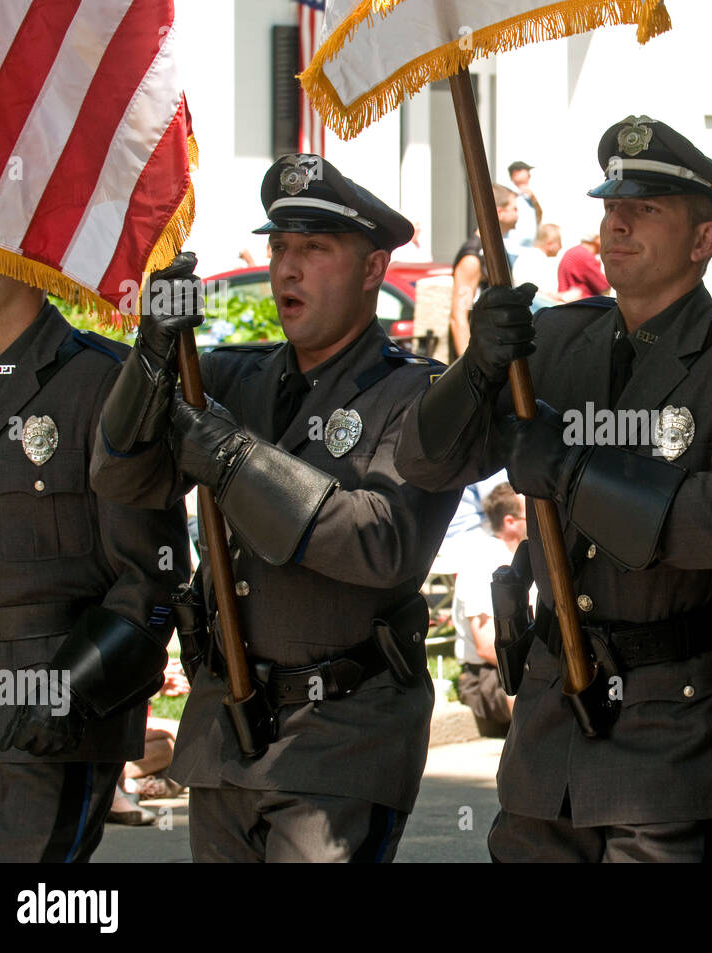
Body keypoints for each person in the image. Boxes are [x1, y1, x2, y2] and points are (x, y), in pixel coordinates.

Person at [396, 115, 712, 862]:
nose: (618, 222)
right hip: (551, 728)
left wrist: (575, 474)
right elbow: (427, 462)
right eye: (613, 205)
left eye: (647, 209)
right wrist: (477, 364)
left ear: (704, 240)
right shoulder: (560, 341)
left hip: (677, 735)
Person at [90, 154, 460, 862]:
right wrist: (152, 354)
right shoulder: (231, 375)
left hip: (342, 737)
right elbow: (122, 477)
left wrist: (234, 460)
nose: (287, 268)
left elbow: (383, 543)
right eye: (279, 247)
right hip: (228, 725)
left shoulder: (413, 395)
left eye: (314, 249)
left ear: (374, 267)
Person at [0, 169, 189, 861]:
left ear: (34, 248)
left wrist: (71, 691)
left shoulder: (103, 382)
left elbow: (151, 574)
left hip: (50, 709)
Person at [453, 482, 526, 737]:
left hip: (519, 664)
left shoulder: (525, 558)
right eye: (532, 514)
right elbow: (487, 647)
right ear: (510, 522)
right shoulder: (482, 562)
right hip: (487, 676)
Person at [451, 184, 519, 358]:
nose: (518, 214)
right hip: (480, 359)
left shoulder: (494, 248)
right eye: (514, 208)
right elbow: (459, 317)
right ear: (499, 212)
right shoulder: (473, 256)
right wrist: (469, 371)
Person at [512, 224, 577, 311]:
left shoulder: (528, 256)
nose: (561, 247)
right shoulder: (537, 259)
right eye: (559, 243)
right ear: (549, 243)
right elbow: (542, 295)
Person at [556, 230, 609, 299]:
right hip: (579, 303)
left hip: (567, 301)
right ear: (597, 239)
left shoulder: (573, 251)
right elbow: (604, 287)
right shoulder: (586, 256)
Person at [504, 160, 543, 253]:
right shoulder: (506, 193)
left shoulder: (529, 195)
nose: (529, 175)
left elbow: (539, 216)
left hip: (528, 248)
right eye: (527, 171)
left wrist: (534, 199)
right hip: (512, 247)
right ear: (515, 173)